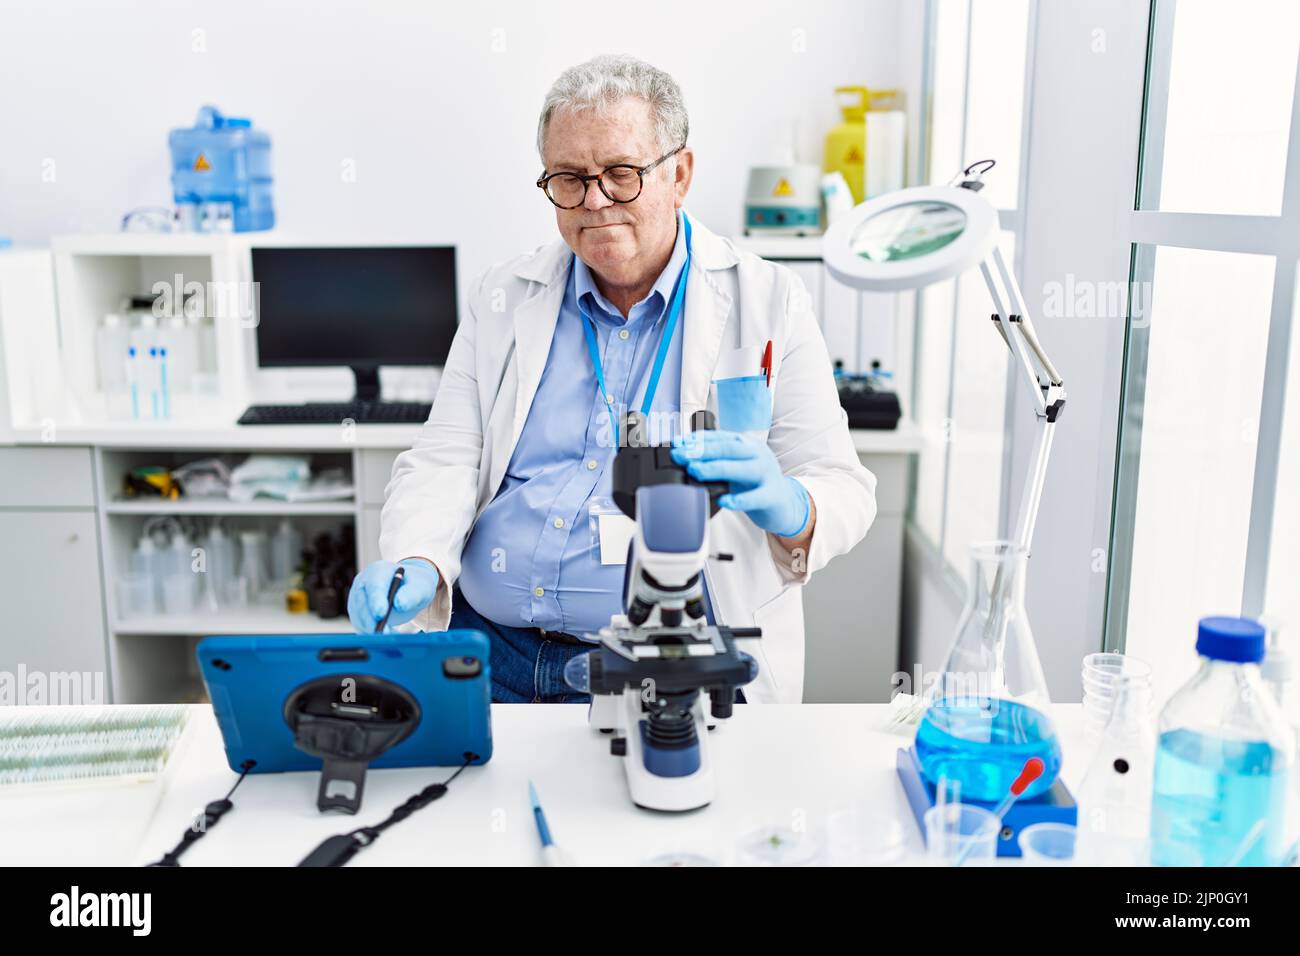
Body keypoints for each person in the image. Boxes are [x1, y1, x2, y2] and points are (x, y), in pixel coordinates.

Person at [348, 54, 877, 704]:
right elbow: (446, 457)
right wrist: (419, 559)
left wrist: (791, 504)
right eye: (569, 179)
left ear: (679, 174)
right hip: (486, 656)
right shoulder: (503, 297)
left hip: (667, 669)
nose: (594, 201)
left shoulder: (767, 299)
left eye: (621, 174)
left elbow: (843, 486)